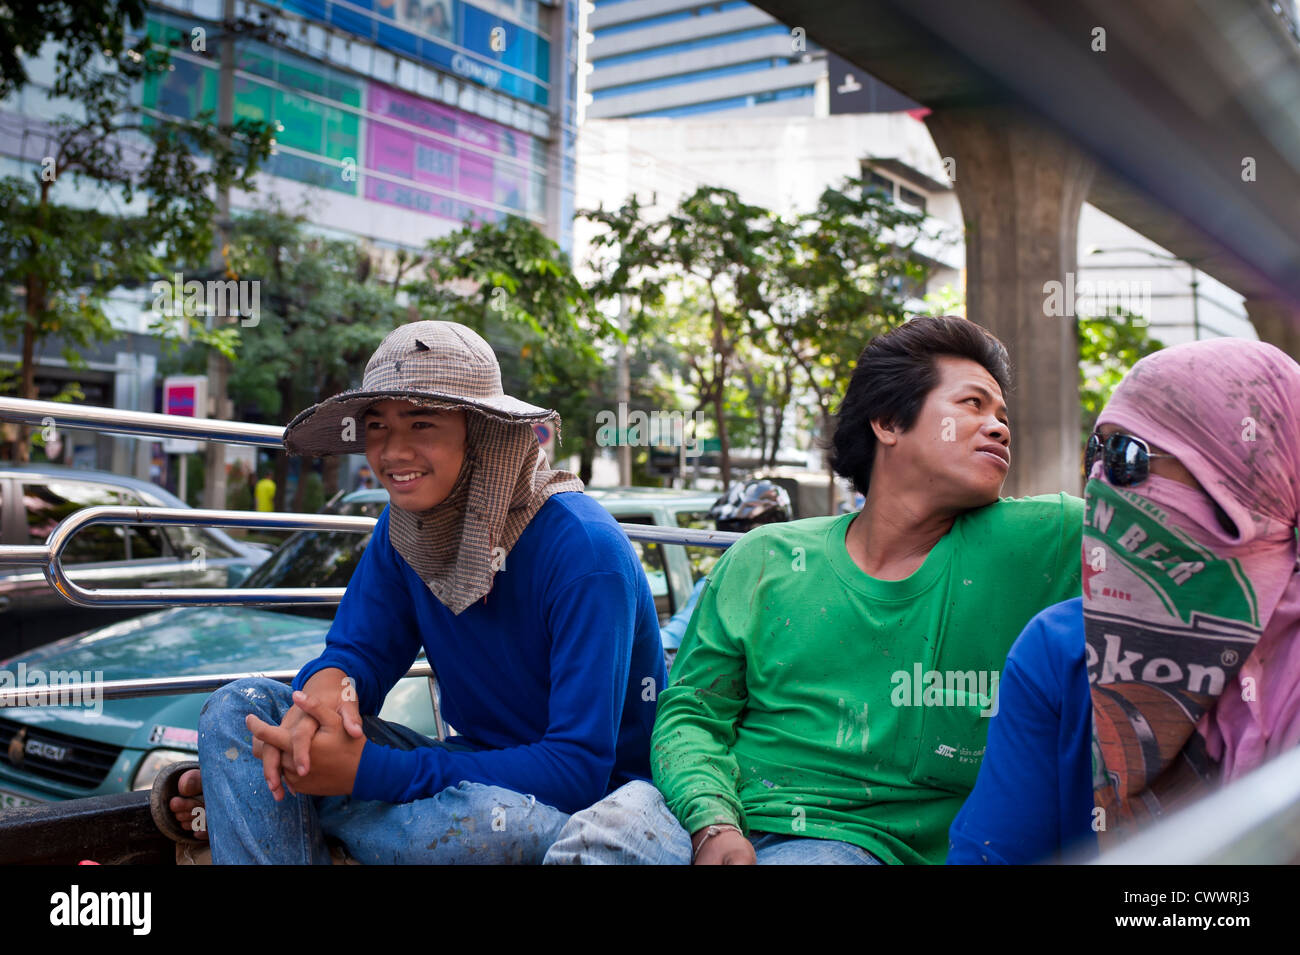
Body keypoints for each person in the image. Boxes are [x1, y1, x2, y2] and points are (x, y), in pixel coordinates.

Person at [543, 315, 1085, 865]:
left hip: (855, 845)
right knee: (602, 837)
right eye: (972, 404)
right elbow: (692, 715)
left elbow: (1162, 526)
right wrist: (712, 821)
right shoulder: (764, 556)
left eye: (1002, 415)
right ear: (889, 421)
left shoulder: (1042, 541)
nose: (999, 427)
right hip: (700, 812)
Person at [172, 320, 666, 863]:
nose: (392, 452)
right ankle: (270, 791)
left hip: (585, 809)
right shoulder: (404, 528)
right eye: (378, 427)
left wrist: (364, 773)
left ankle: (269, 804)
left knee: (490, 830)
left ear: (482, 433)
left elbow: (577, 769)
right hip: (463, 771)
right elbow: (358, 654)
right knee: (237, 712)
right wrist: (314, 717)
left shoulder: (585, 549)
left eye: (422, 423)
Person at [948, 337, 1300, 864]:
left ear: (1249, 481)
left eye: (1128, 456)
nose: (1098, 483)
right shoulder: (1059, 652)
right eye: (1095, 453)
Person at [659, 479, 794, 668]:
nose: (727, 542)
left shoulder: (797, 581)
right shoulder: (719, 582)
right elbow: (673, 638)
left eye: (735, 529)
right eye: (726, 530)